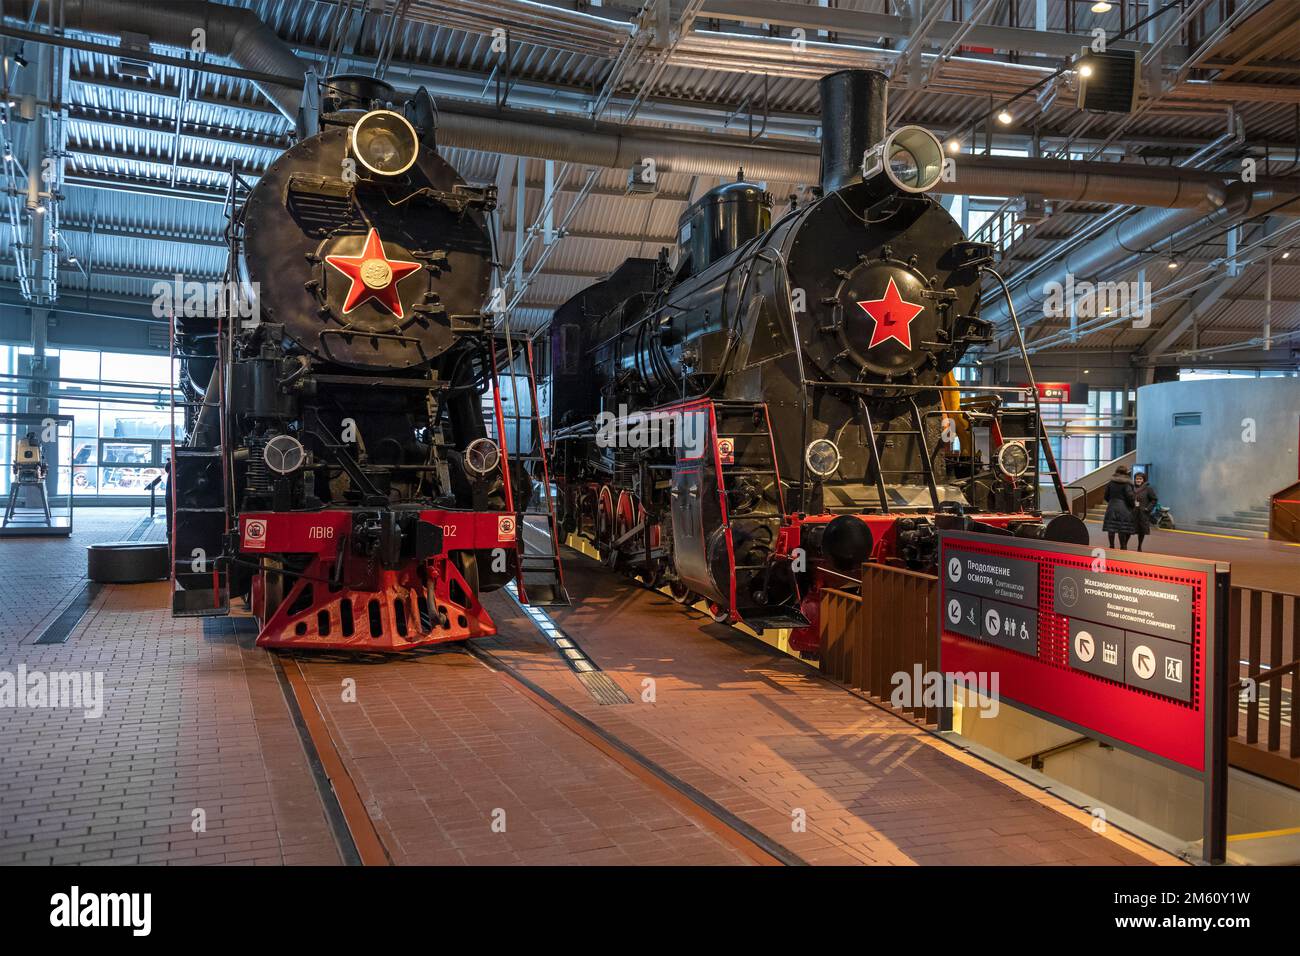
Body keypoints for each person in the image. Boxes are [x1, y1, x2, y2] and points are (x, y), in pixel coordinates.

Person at [1102, 464, 1137, 550]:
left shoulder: (1111, 483)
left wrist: (1111, 501)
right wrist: (1132, 506)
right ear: (1126, 473)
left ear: (1116, 472)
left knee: (1111, 527)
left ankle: (1111, 546)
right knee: (1122, 528)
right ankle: (1123, 546)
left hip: (1111, 506)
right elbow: (1130, 497)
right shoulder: (1127, 483)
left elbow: (1106, 496)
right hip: (1123, 508)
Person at [1133, 471, 1157, 551]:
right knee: (1128, 529)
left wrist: (1148, 508)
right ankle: (1124, 545)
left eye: (1140, 479)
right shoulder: (1131, 488)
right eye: (1137, 479)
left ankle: (1139, 546)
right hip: (1132, 513)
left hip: (1142, 513)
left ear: (1143, 480)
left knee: (1141, 531)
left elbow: (1154, 500)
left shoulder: (1148, 489)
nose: (1138, 480)